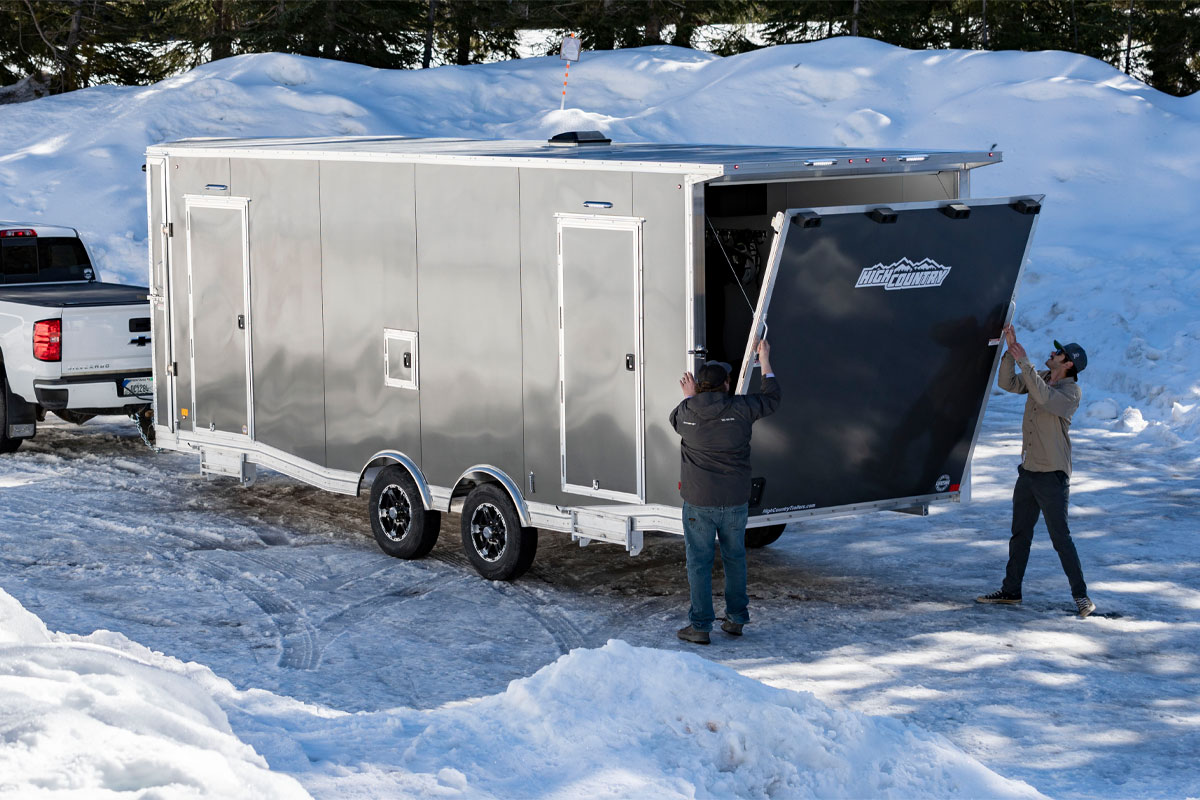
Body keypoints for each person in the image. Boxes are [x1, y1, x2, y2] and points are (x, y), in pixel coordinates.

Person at [978, 324, 1096, 617]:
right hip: (1028, 471)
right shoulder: (1040, 376)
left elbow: (1044, 398)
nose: (1053, 353)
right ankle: (1011, 590)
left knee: (1060, 538)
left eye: (1059, 352)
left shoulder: (1071, 392)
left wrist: (1025, 361)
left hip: (1052, 476)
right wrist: (1010, 352)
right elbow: (1007, 383)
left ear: (1068, 364)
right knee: (1020, 534)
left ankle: (1082, 597)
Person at [669, 339, 781, 645]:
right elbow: (772, 398)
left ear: (698, 388)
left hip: (698, 502)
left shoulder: (685, 413)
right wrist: (765, 360)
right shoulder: (741, 409)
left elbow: (676, 419)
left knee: (699, 563)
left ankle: (700, 627)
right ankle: (735, 620)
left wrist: (690, 399)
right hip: (734, 501)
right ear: (727, 384)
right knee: (735, 559)